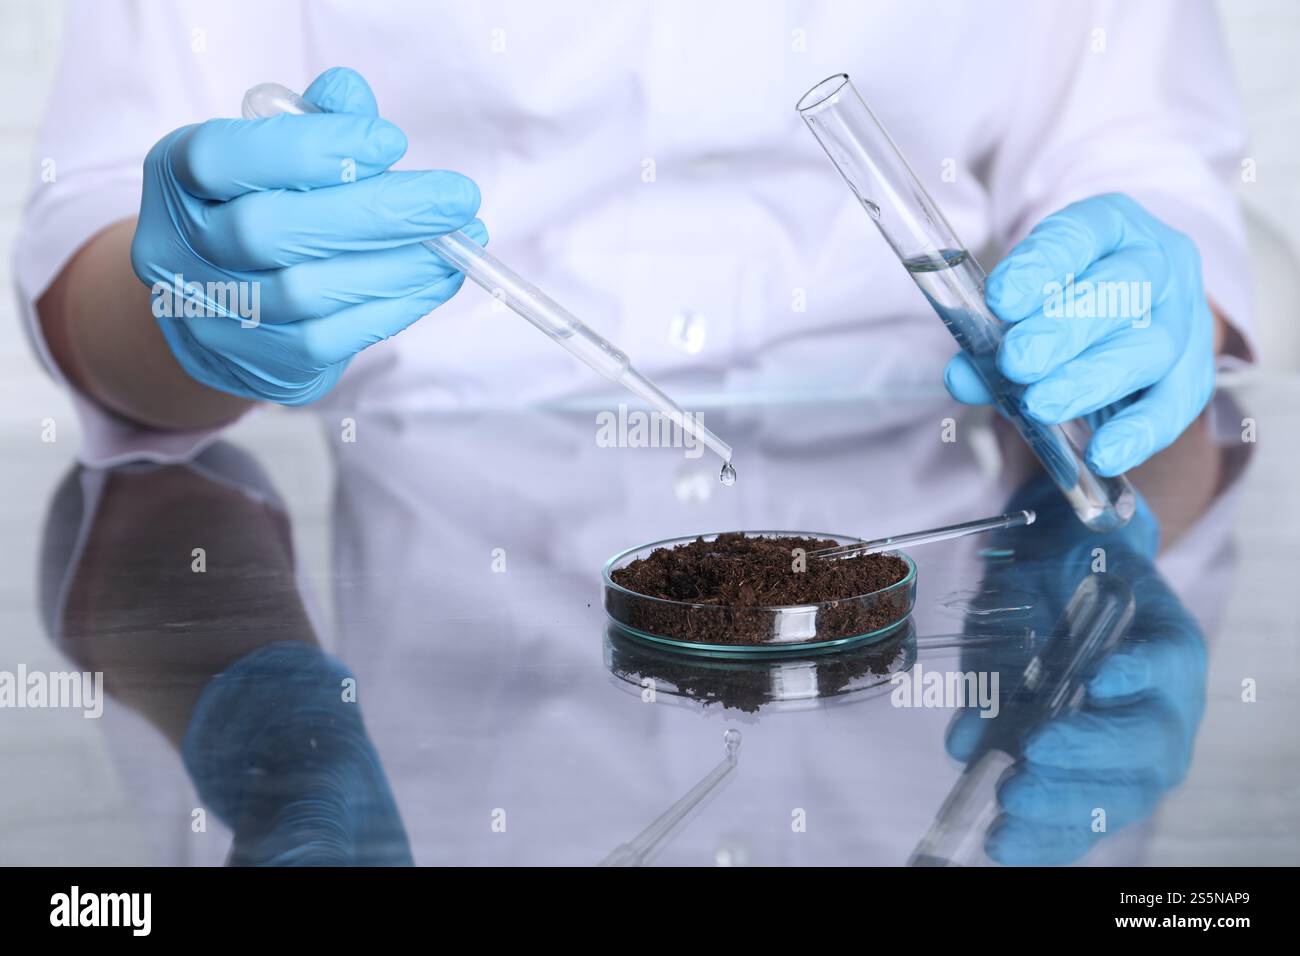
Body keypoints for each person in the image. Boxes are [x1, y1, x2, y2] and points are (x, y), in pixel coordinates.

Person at [17, 0, 1252, 470]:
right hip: (439, 518)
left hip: (940, 478)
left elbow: (1135, 147)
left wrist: (1134, 305)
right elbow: (101, 248)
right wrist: (200, 309)